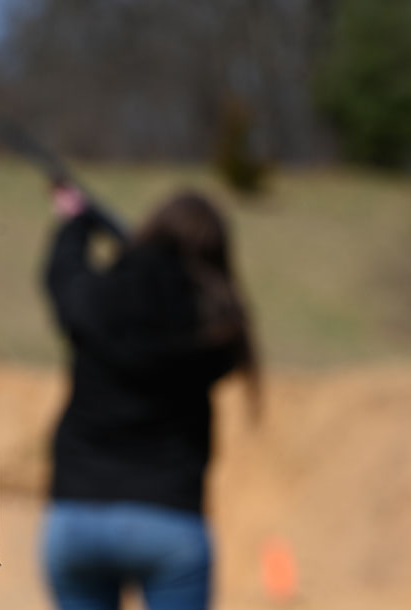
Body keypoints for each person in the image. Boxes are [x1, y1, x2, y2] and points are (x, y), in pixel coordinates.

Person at [42, 185, 260, 610]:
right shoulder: (211, 322)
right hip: (169, 519)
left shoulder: (100, 298)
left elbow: (62, 277)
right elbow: (234, 330)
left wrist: (75, 224)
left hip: (77, 514)